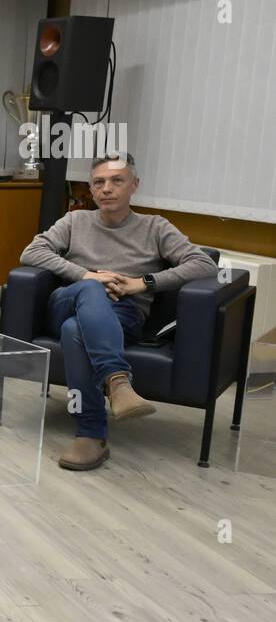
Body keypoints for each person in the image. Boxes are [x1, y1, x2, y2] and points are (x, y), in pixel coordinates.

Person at [20, 152, 215, 470]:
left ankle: (91, 435)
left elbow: (203, 264)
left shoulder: (155, 227)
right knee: (89, 291)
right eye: (99, 182)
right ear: (92, 189)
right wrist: (87, 275)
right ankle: (118, 382)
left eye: (116, 181)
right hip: (68, 299)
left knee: (74, 330)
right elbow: (31, 252)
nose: (106, 188)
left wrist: (144, 283)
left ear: (134, 185)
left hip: (123, 314)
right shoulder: (75, 220)